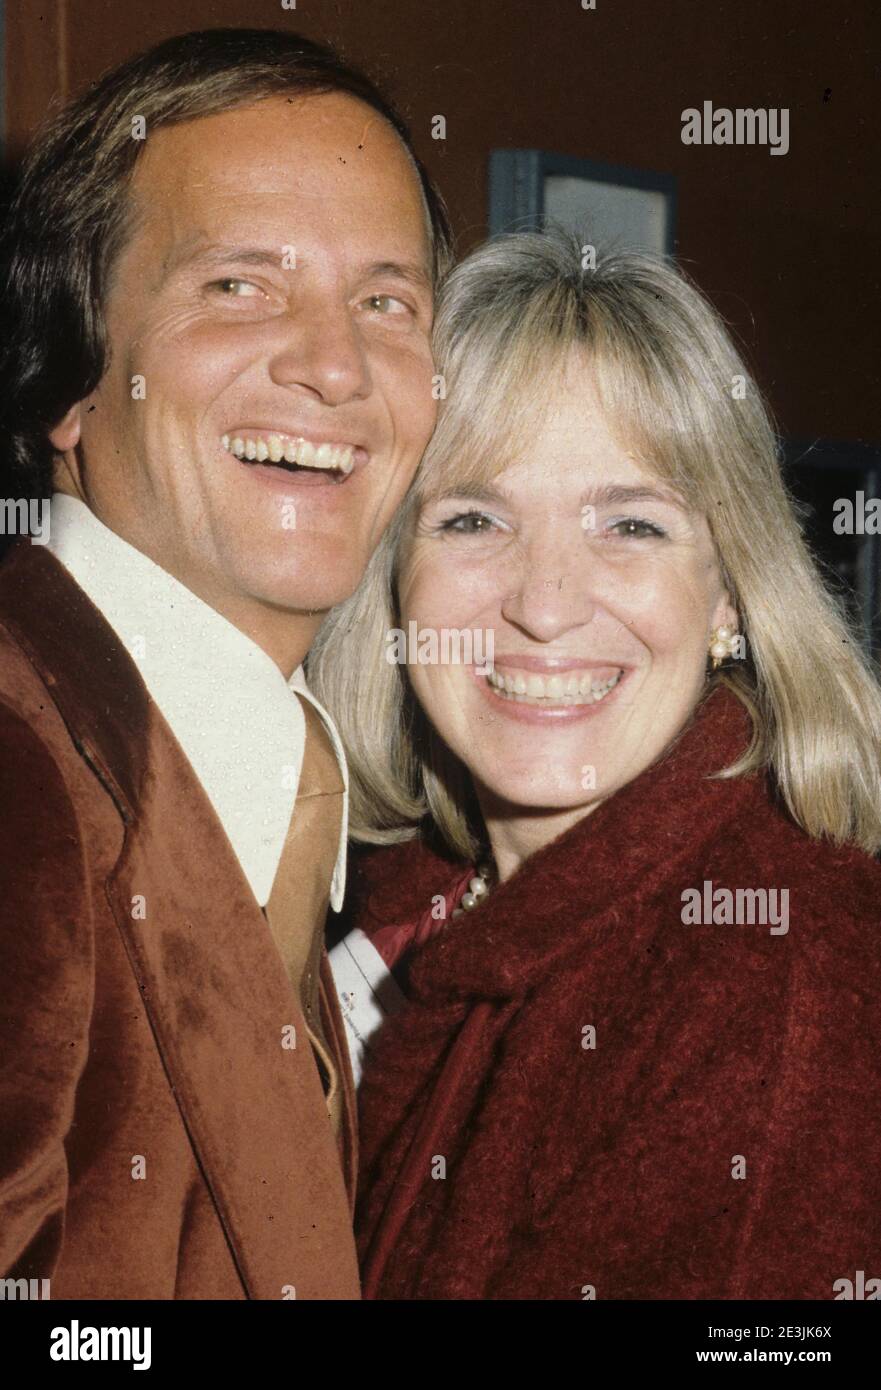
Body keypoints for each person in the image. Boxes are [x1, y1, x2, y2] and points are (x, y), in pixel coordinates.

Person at [310, 229, 881, 1300]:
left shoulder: (791, 984)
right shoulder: (395, 914)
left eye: (628, 523)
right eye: (473, 518)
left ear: (728, 594)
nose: (543, 602)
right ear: (394, 580)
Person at [0, 27, 451, 1300]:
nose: (333, 364)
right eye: (237, 286)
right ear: (68, 383)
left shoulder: (274, 780)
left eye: (386, 302)